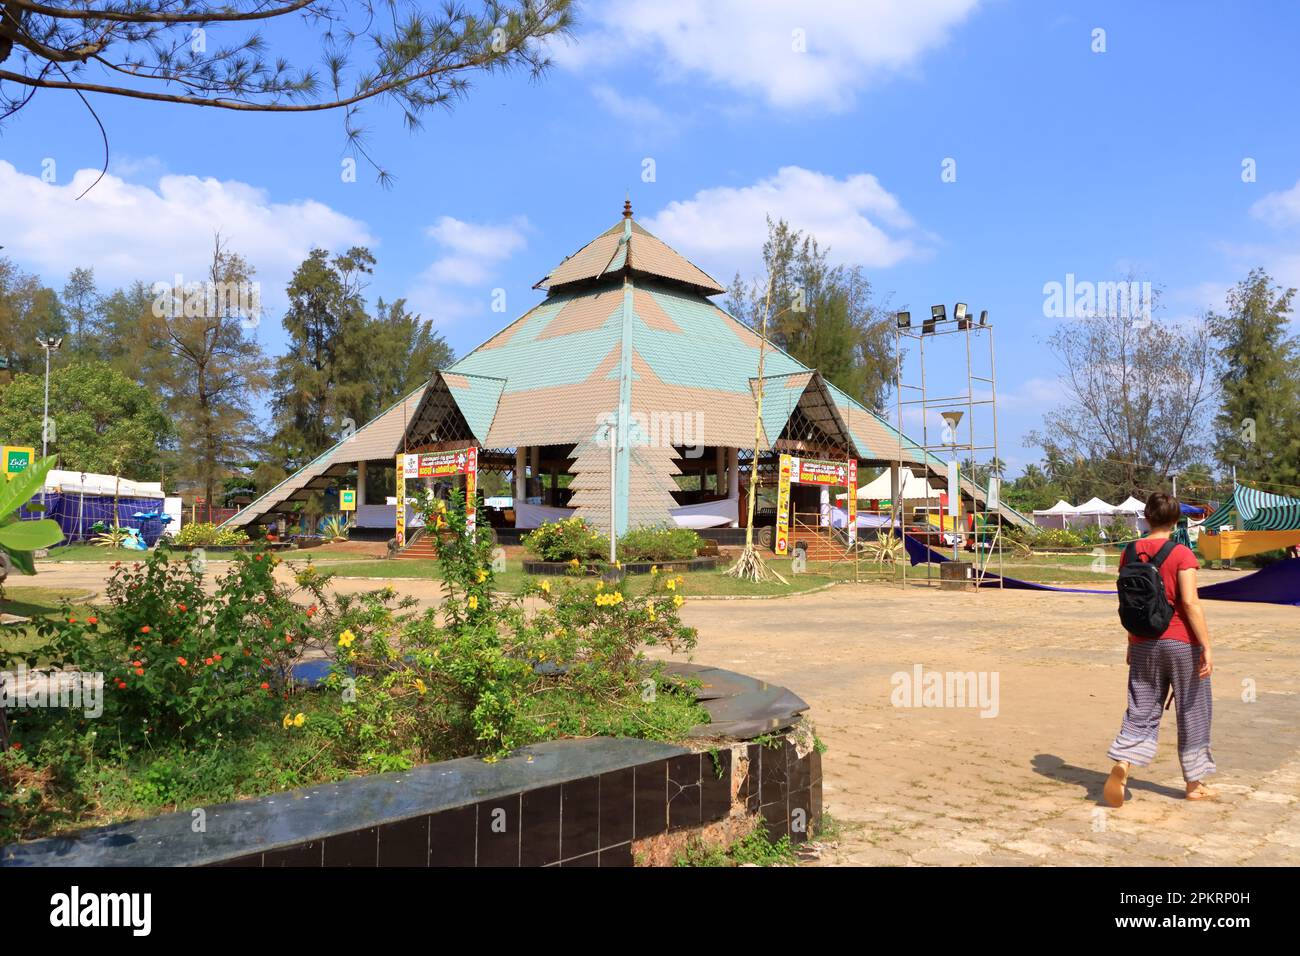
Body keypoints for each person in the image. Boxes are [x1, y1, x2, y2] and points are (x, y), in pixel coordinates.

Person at [1104, 492, 1216, 806]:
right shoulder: (1181, 553)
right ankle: (1194, 785)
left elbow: (1129, 602)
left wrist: (1130, 641)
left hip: (1142, 641)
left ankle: (1124, 762)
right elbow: (1190, 602)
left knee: (1141, 708)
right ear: (1176, 520)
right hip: (1181, 643)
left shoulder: (1130, 551)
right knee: (1194, 711)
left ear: (1147, 517)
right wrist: (1206, 645)